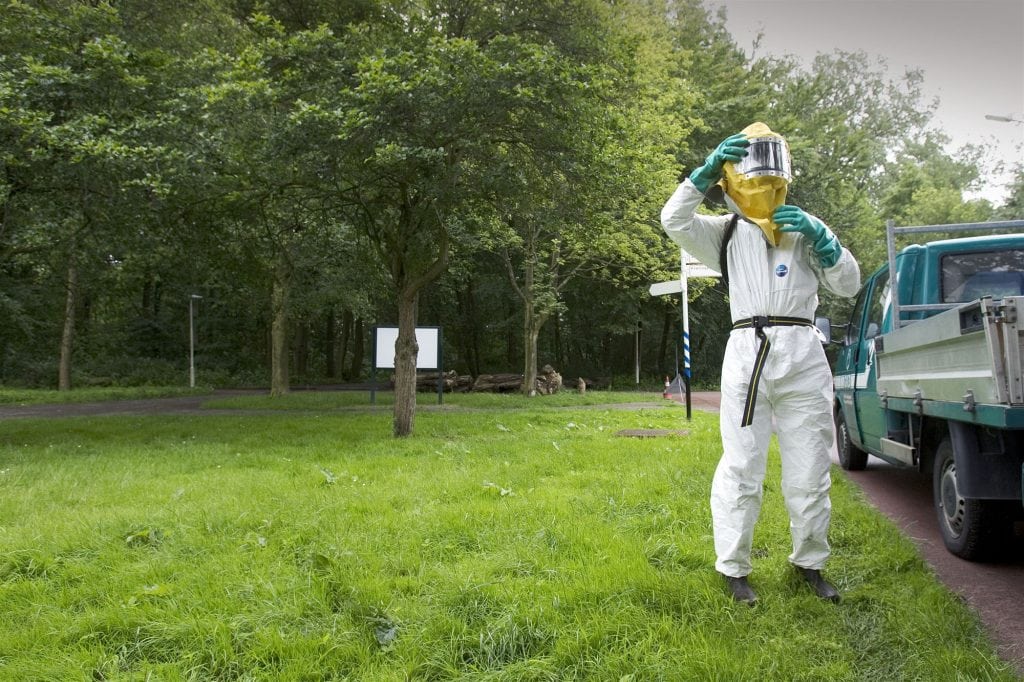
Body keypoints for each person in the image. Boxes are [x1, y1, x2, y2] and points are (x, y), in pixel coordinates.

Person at [660, 123, 861, 605]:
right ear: (732, 176)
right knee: (741, 465)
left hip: (802, 352)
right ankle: (733, 567)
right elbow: (673, 219)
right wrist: (702, 175)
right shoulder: (723, 233)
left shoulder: (805, 226)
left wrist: (826, 244)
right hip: (748, 351)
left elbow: (849, 284)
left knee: (810, 467)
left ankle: (810, 563)